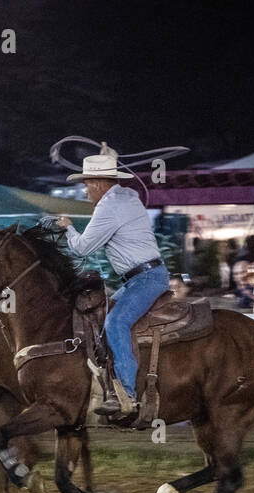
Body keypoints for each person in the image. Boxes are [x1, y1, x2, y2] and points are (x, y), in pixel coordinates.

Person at [53, 152, 169, 419]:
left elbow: (83, 249)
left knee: (115, 322)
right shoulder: (127, 197)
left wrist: (67, 227)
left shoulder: (110, 206)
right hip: (144, 276)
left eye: (86, 185)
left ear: (97, 183)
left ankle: (126, 394)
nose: (85, 191)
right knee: (99, 316)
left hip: (144, 279)